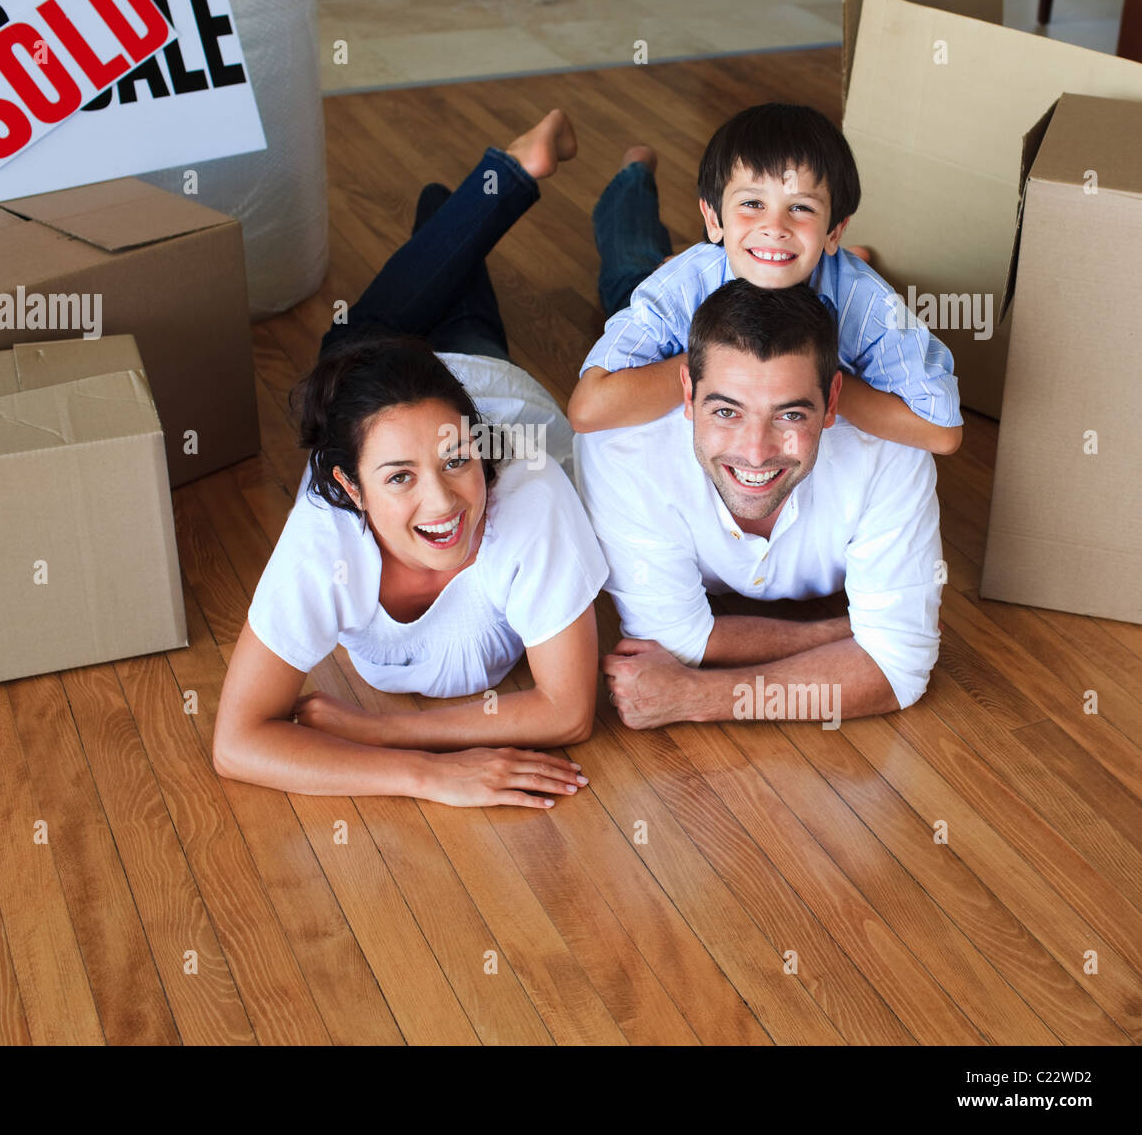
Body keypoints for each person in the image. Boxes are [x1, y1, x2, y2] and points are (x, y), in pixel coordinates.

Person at [213, 111, 609, 809]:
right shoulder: (324, 531)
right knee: (372, 338)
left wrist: (384, 732)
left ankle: (476, 193)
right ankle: (466, 198)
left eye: (457, 461)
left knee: (399, 333)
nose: (444, 501)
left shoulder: (529, 495)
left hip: (482, 387)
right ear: (348, 487)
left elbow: (570, 709)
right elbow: (236, 741)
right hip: (418, 395)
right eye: (398, 479)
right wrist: (430, 775)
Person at [575, 277, 943, 730]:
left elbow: (897, 669)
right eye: (726, 412)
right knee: (621, 275)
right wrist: (836, 633)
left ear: (832, 402)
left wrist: (697, 697)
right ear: (687, 393)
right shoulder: (620, 448)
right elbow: (672, 638)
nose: (755, 452)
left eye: (790, 415)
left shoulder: (890, 449)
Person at [567, 103, 964, 456]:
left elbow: (942, 433)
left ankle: (847, 259)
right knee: (628, 267)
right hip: (669, 273)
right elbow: (588, 409)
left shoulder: (868, 304)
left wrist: (812, 376)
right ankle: (635, 170)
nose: (775, 226)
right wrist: (725, 361)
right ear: (713, 218)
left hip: (803, 264)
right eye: (753, 203)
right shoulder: (679, 287)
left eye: (801, 208)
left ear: (834, 231)